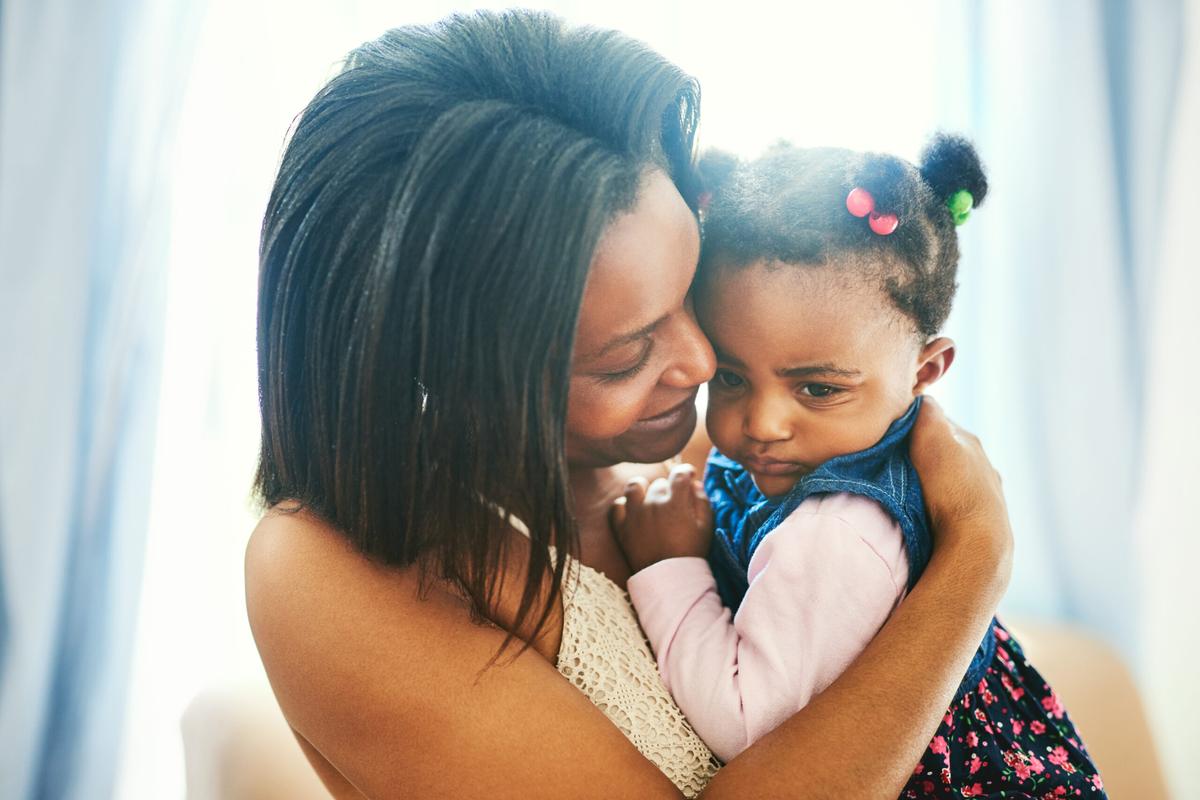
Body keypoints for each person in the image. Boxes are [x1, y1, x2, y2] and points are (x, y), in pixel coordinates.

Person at [244, 11, 1014, 798]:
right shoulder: (331, 566)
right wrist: (974, 561)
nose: (704, 362)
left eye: (693, 296)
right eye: (628, 354)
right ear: (461, 369)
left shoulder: (735, 465)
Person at [614, 137, 1105, 797]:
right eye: (729, 376)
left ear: (925, 372)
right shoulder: (799, 457)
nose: (761, 424)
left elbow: (744, 722)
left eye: (817, 389)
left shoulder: (839, 532)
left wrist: (667, 566)